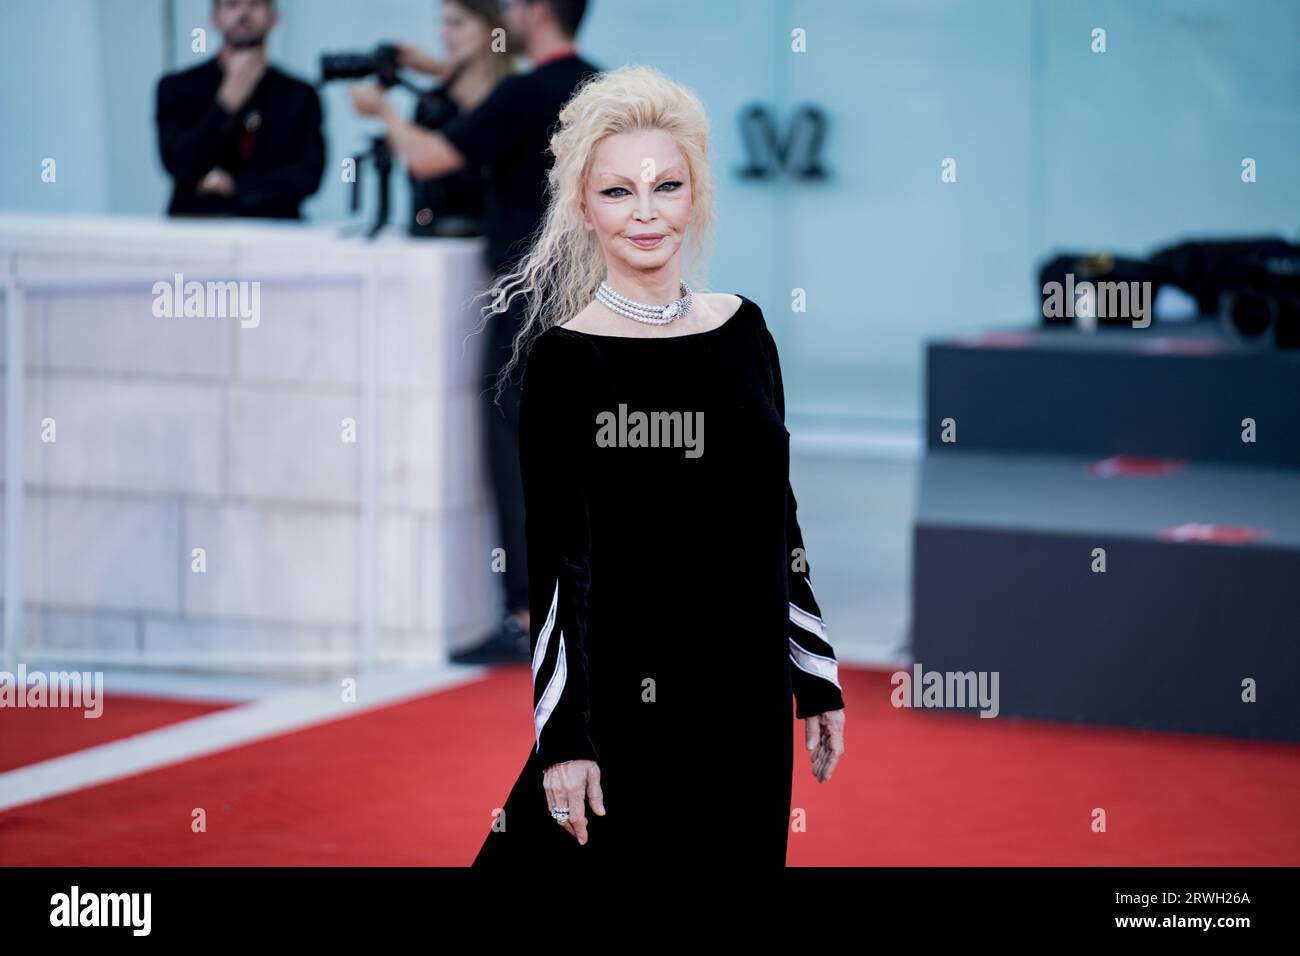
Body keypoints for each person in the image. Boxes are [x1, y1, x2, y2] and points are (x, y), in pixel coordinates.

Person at [468, 65, 847, 867]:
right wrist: (563, 737)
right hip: (623, 705)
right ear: (582, 207)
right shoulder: (564, 362)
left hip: (743, 703)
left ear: (698, 195)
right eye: (617, 193)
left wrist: (813, 672)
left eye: (666, 186)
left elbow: (777, 512)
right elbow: (557, 562)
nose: (646, 214)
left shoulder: (745, 332)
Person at [350, 0, 599, 665]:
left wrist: (386, 115)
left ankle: (525, 617)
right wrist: (439, 68)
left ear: (538, 11)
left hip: (529, 295)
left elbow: (432, 159)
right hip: (596, 292)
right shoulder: (604, 88)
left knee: (518, 456)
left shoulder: (525, 92)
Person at [155, 0, 324, 219]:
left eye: (255, 4)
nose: (243, 13)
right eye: (232, 4)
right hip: (198, 228)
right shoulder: (177, 88)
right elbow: (179, 164)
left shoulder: (301, 95)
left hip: (275, 231)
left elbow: (308, 176)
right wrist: (226, 103)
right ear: (215, 18)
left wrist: (234, 184)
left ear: (274, 18)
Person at [393, 0, 516, 236]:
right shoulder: (433, 104)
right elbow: (418, 172)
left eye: (456, 23)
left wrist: (383, 110)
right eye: (442, 23)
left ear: (492, 29)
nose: (444, 34)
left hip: (507, 248)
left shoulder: (515, 95)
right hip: (439, 242)